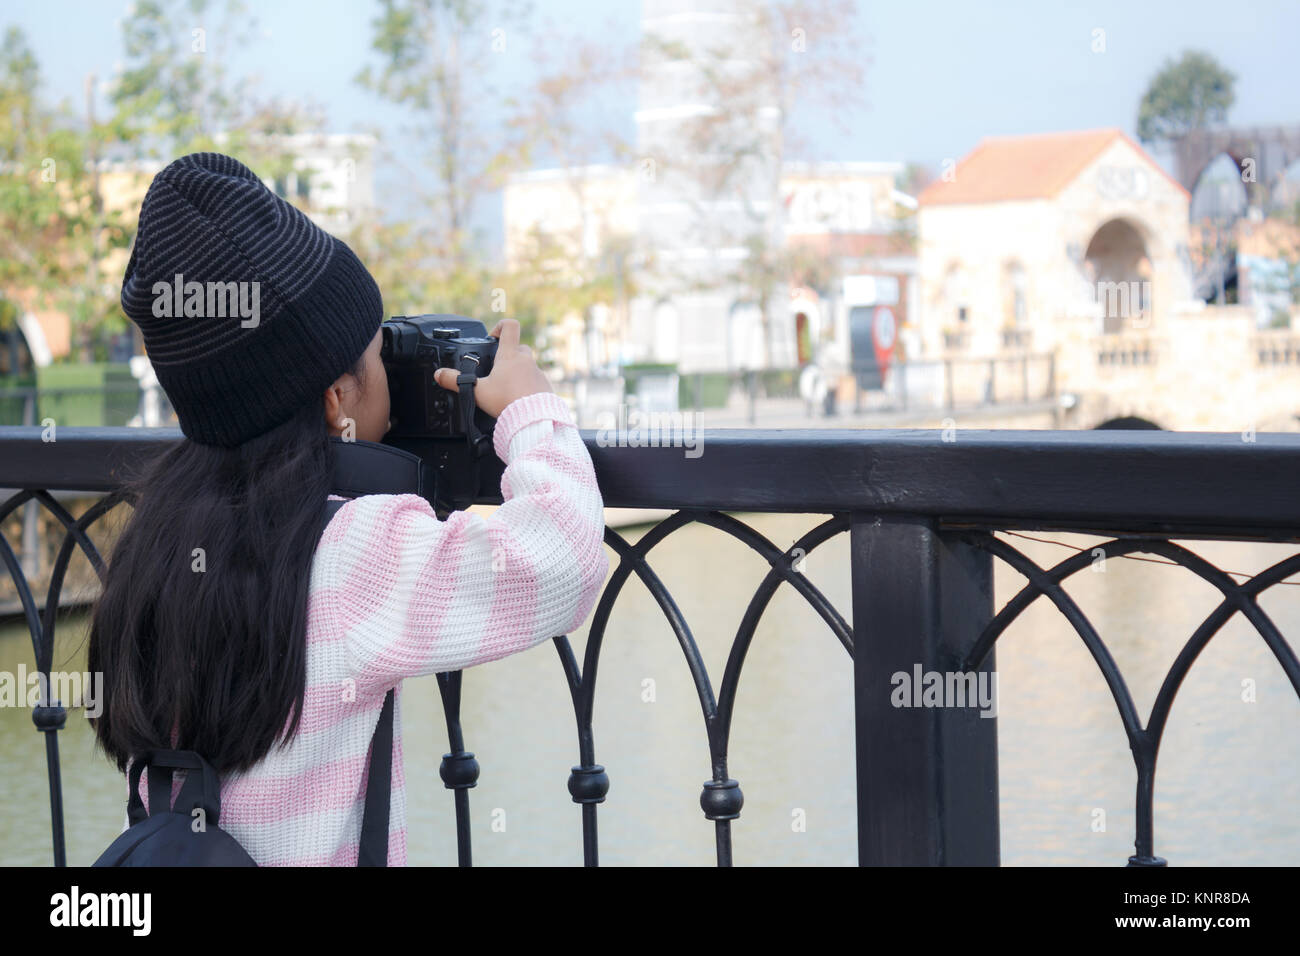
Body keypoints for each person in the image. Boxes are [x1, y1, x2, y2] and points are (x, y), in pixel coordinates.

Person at [86, 152, 608, 865]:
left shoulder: (151, 540)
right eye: (376, 353)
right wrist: (530, 409)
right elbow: (563, 561)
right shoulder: (353, 550)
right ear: (336, 399)